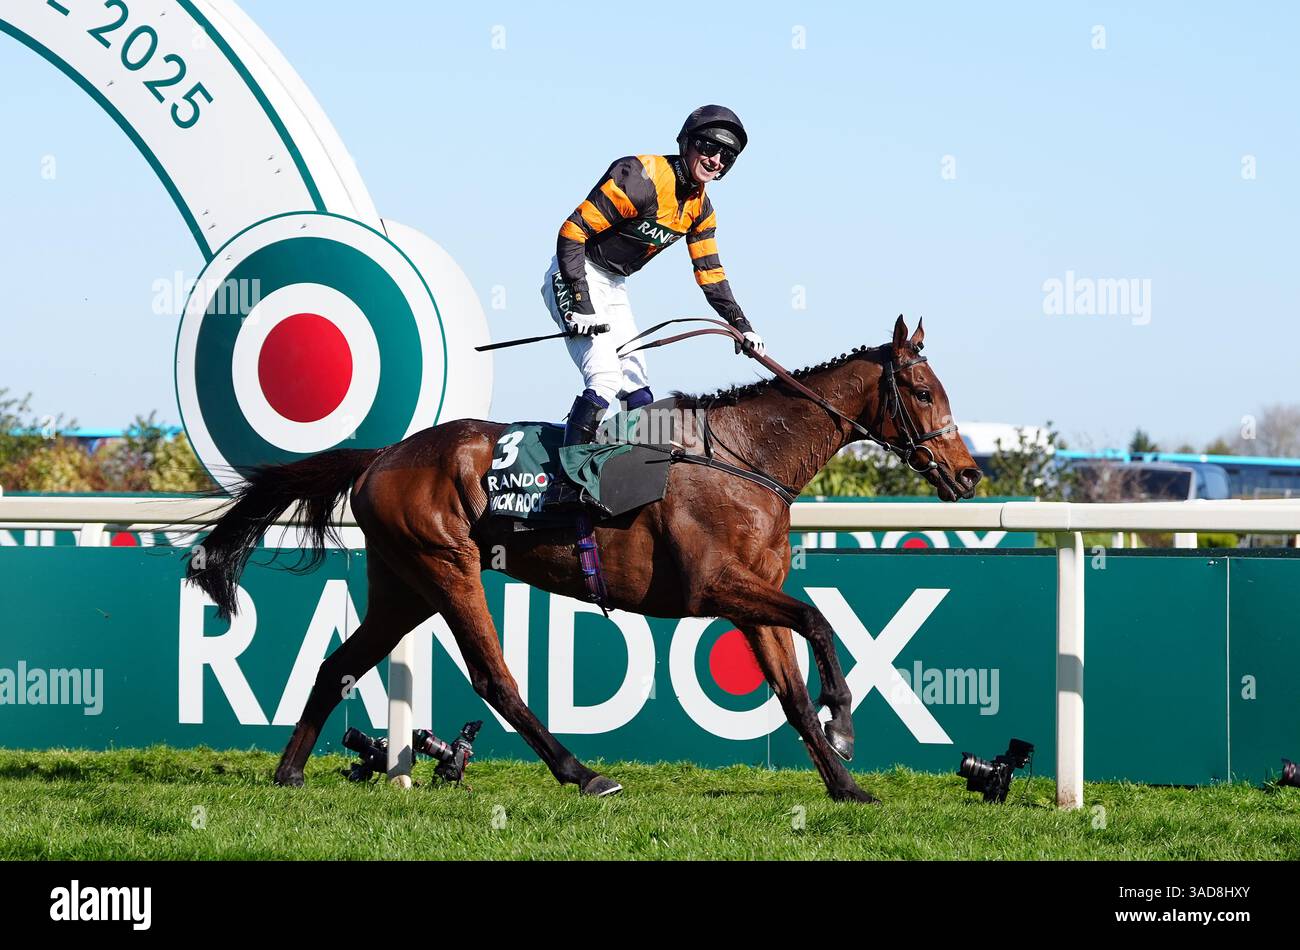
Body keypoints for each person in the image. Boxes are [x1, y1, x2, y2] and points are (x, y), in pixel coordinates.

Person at [539, 104, 765, 513]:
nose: (715, 160)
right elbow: (571, 232)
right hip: (575, 271)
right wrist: (580, 303)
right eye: (708, 147)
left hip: (614, 284)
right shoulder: (640, 176)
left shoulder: (701, 209)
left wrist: (742, 326)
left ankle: (642, 482)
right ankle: (565, 487)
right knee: (605, 378)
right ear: (687, 143)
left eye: (725, 157)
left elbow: (711, 274)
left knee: (640, 387)